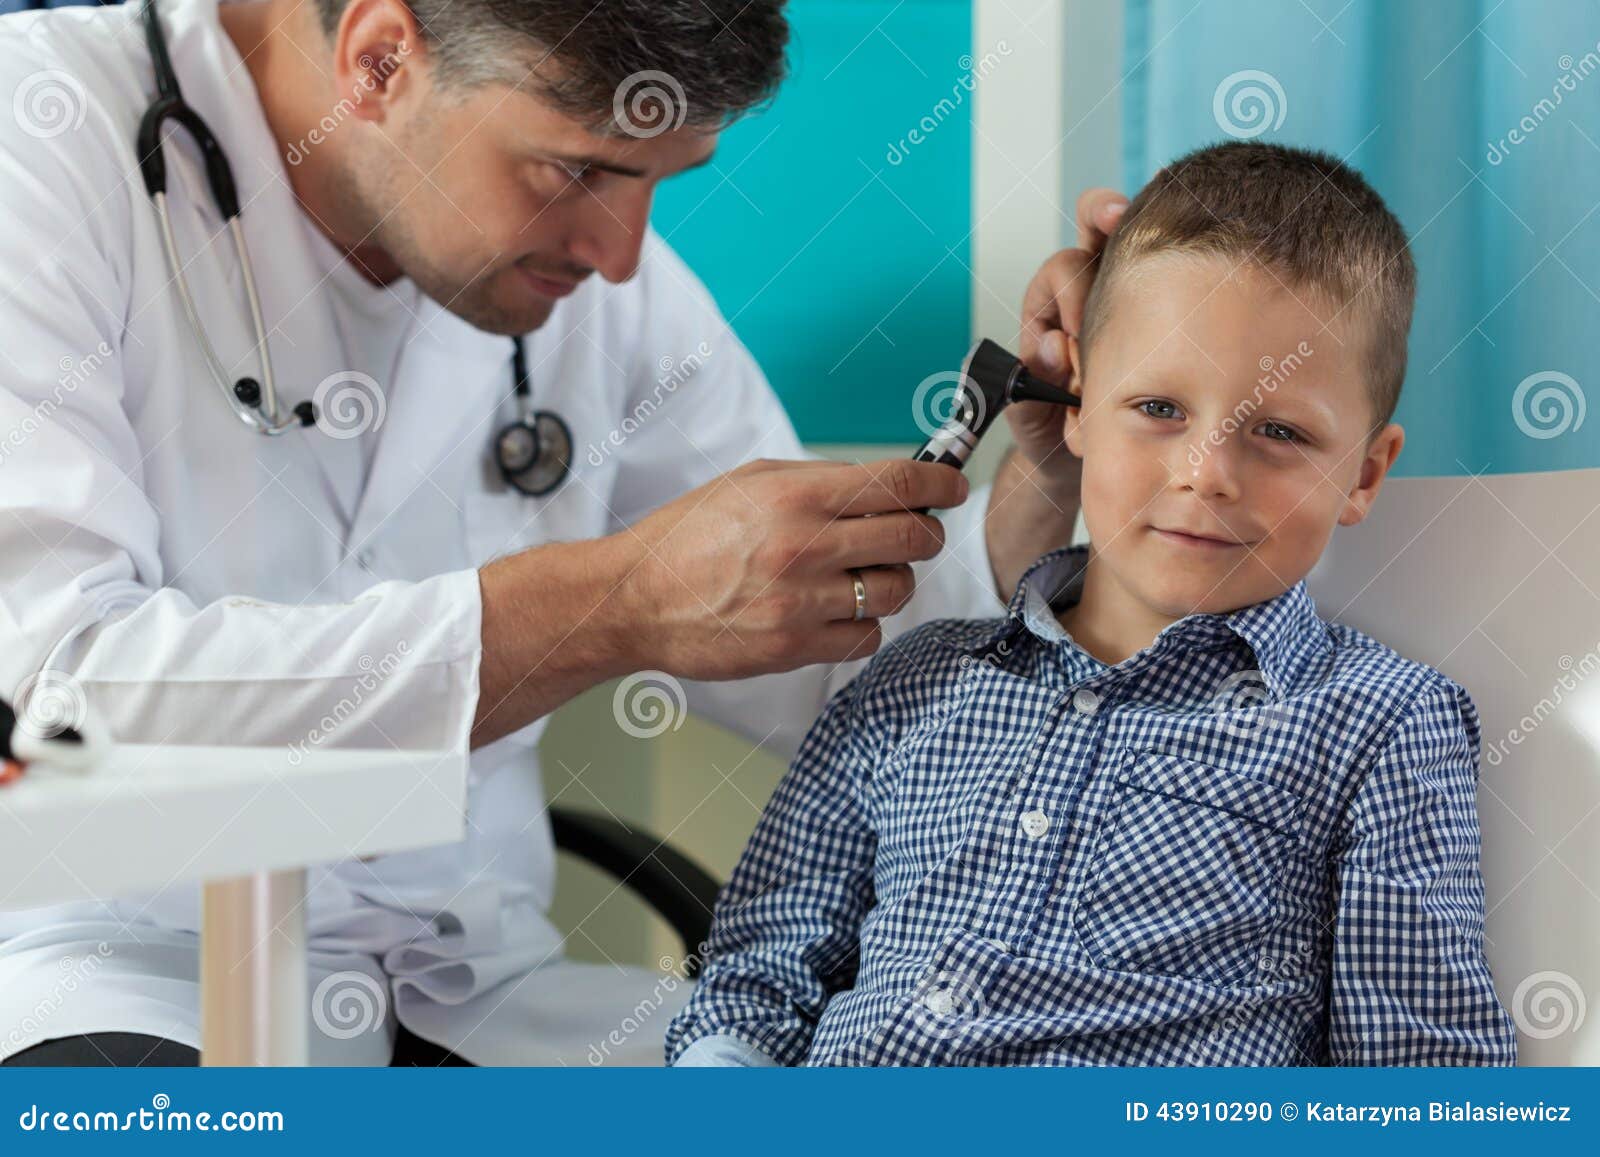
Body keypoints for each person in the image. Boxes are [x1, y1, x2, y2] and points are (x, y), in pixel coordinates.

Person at [0, 0, 1088, 1065]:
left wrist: (1043, 482)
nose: (619, 255)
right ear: (379, 61)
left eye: (657, 182)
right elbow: (50, 704)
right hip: (122, 966)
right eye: (578, 172)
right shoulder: (40, 135)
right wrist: (613, 604)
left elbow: (837, 670)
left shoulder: (602, 290)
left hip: (480, 998)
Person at [665, 141, 1520, 1067]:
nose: (1205, 475)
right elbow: (758, 969)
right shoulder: (908, 682)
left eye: (1278, 431)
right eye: (1158, 408)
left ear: (1365, 472)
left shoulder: (1382, 724)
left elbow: (1425, 1073)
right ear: (1074, 408)